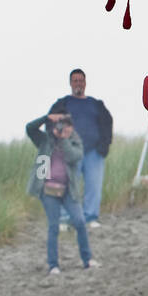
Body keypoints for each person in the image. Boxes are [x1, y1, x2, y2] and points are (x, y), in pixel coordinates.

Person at [26, 111, 98, 276]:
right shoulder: (45, 141)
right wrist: (46, 118)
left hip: (68, 190)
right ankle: (53, 265)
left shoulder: (75, 140)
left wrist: (64, 139)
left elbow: (74, 157)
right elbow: (29, 129)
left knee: (80, 221)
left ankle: (87, 260)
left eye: (66, 127)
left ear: (71, 128)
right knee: (53, 226)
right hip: (47, 190)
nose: (62, 130)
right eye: (60, 126)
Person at [48, 69, 113, 227]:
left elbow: (107, 123)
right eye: (75, 80)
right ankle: (64, 219)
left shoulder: (96, 104)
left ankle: (90, 218)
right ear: (70, 83)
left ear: (85, 83)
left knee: (94, 187)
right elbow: (50, 123)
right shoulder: (62, 104)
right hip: (69, 152)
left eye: (81, 80)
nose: (78, 83)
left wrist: (104, 146)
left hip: (94, 153)